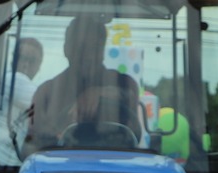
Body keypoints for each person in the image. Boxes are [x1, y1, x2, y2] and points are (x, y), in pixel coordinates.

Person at [30, 16, 144, 150]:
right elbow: (31, 143)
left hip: (116, 165)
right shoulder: (46, 92)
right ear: (66, 49)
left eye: (95, 48)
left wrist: (101, 92)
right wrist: (54, 135)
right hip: (60, 166)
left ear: (102, 50)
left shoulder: (125, 83)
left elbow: (130, 102)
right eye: (81, 48)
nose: (89, 56)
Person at [0, 36, 43, 163]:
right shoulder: (12, 80)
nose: (26, 65)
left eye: (32, 61)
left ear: (38, 67)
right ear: (13, 61)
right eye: (23, 58)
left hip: (11, 161)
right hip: (1, 165)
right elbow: (49, 105)